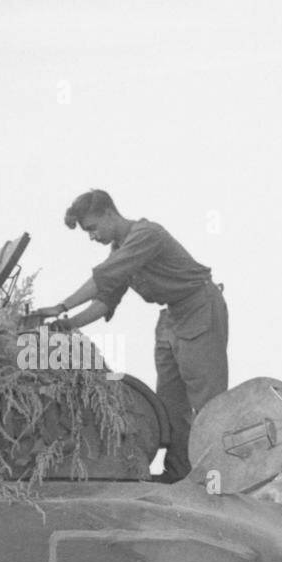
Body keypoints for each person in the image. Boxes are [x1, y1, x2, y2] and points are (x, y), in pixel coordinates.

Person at [31, 189, 230, 481]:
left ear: (109, 213)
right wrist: (67, 323)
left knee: (208, 401)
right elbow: (104, 301)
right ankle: (178, 474)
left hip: (199, 307)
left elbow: (104, 277)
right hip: (171, 317)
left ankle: (217, 478)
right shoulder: (120, 249)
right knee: (170, 403)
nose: (92, 237)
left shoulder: (147, 234)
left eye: (92, 228)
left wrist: (60, 306)